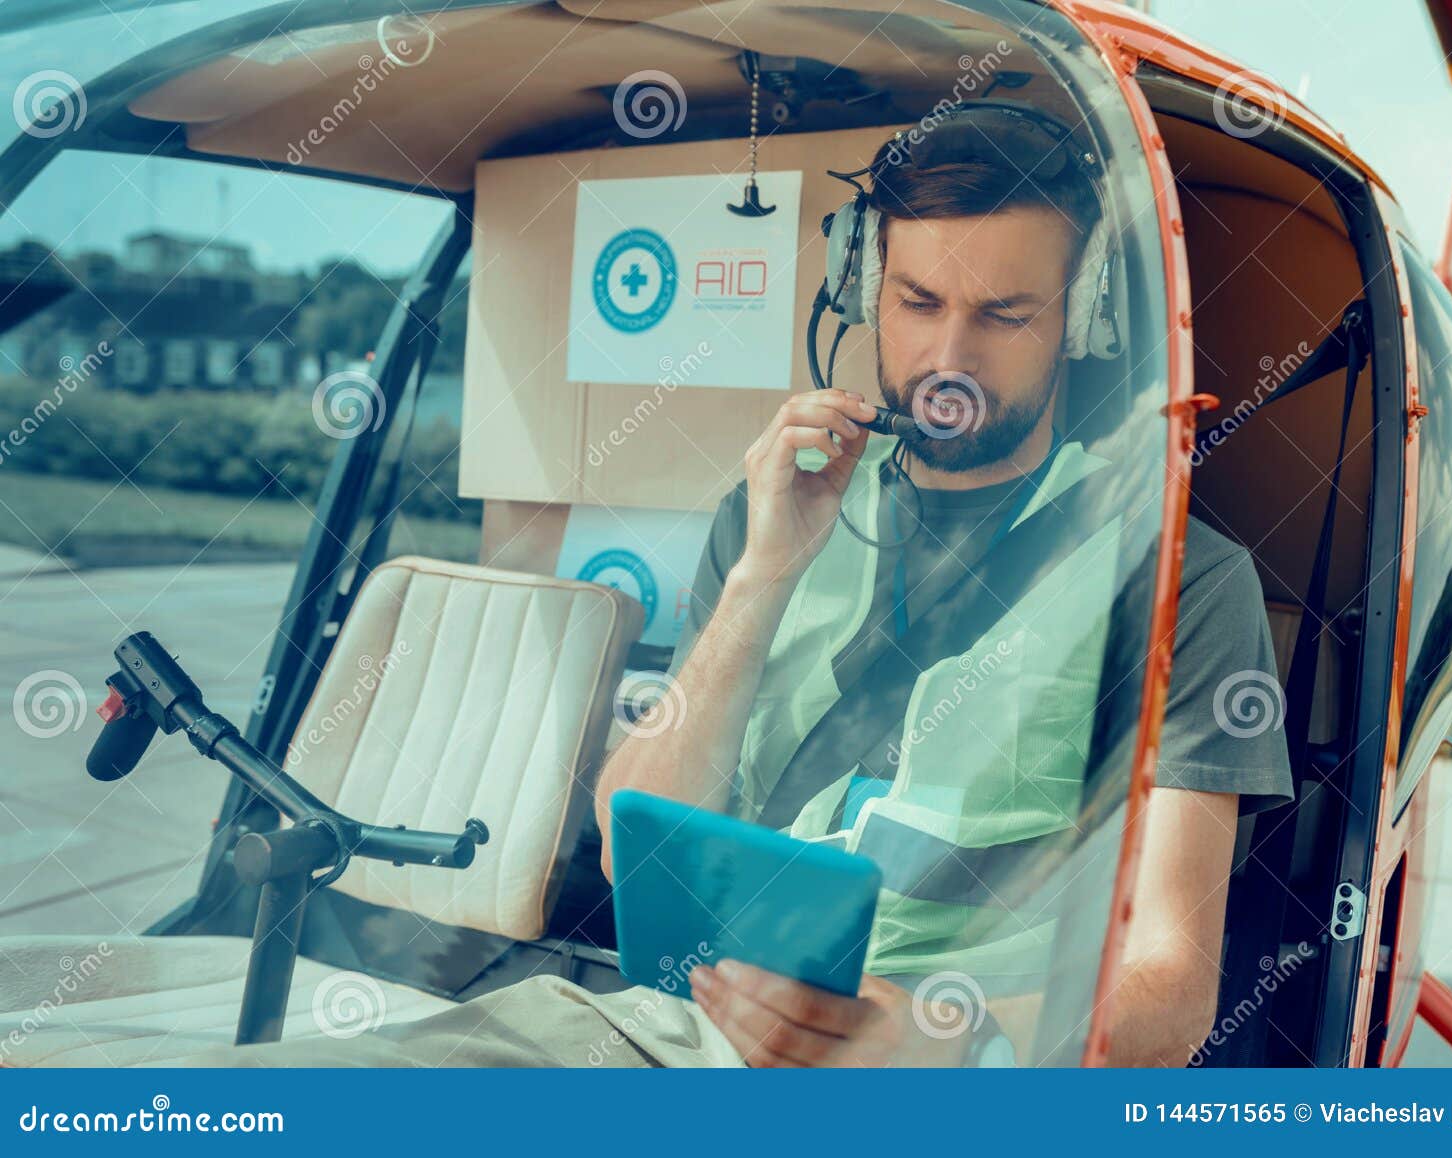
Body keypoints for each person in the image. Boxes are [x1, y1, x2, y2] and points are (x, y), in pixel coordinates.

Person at [175, 104, 1290, 1069]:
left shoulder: (1184, 581)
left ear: (1083, 319)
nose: (949, 354)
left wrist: (964, 1040)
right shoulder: (769, 515)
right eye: (915, 303)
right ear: (864, 288)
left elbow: (1175, 991)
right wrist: (763, 574)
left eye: (1004, 316)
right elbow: (629, 838)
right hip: (679, 1032)